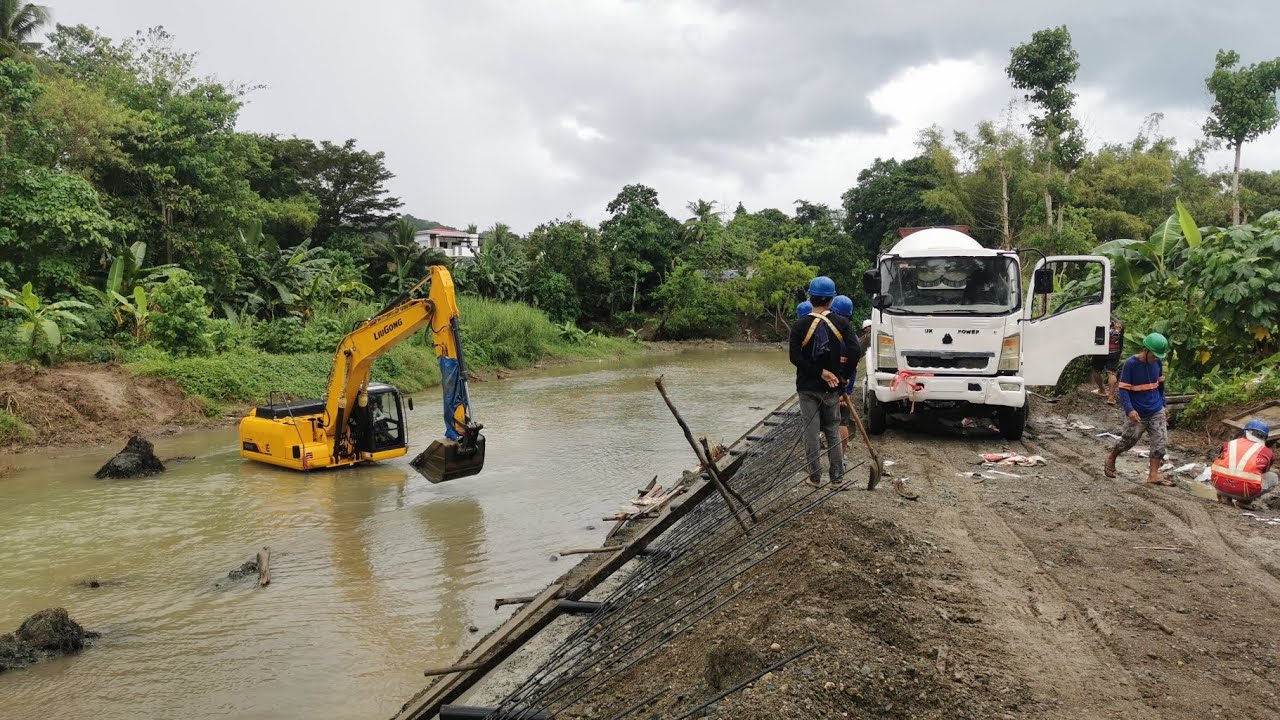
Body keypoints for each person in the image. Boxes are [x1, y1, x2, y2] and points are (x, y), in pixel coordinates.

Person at [789, 276, 855, 490]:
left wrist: (819, 372)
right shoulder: (841, 323)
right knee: (832, 430)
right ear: (830, 300)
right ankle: (836, 479)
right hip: (832, 388)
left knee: (811, 432)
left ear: (811, 297)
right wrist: (842, 376)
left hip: (807, 387)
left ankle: (814, 478)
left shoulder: (800, 325)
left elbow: (795, 358)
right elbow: (855, 351)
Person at [1104, 333, 1171, 486]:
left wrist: (1163, 405)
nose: (1155, 359)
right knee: (1128, 441)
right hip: (1137, 411)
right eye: (1153, 356)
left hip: (1156, 409)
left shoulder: (1157, 363)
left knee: (1160, 442)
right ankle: (1111, 457)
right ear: (1145, 350)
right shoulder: (1131, 364)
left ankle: (1153, 476)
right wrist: (1129, 410)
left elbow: (1160, 386)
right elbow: (1124, 389)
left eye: (1157, 357)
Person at [1211, 419, 1276, 508]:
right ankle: (1244, 501)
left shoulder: (1229, 444)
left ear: (1246, 432)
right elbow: (1263, 472)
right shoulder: (1267, 452)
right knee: (1273, 477)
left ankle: (1224, 497)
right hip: (1245, 493)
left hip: (1220, 486)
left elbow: (1220, 459)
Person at [829, 295, 859, 459]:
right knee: (841, 422)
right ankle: (841, 455)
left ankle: (836, 454)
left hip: (828, 386)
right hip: (843, 385)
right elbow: (853, 367)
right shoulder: (851, 336)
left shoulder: (827, 332)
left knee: (832, 422)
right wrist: (847, 390)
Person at [1092, 317, 1125, 404]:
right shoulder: (1119, 323)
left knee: (1096, 371)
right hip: (1114, 352)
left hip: (1100, 350)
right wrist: (1119, 351)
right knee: (1112, 373)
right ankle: (1111, 397)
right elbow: (1121, 340)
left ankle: (1102, 390)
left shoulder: (1099, 320)